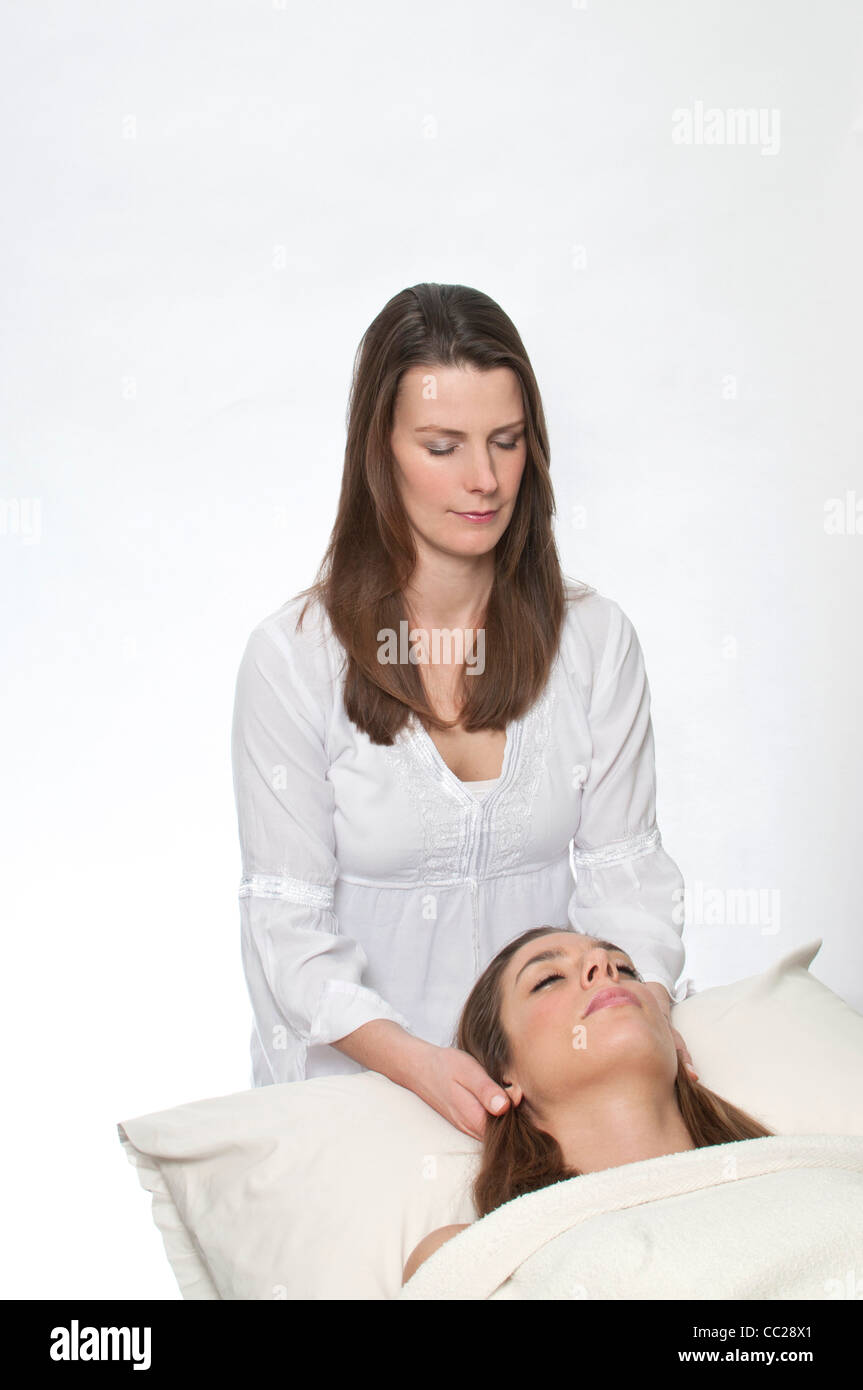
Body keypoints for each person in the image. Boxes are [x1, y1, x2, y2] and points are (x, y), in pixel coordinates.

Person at [231, 281, 697, 1146]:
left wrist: (647, 1015)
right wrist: (420, 1065)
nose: (483, 480)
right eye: (442, 446)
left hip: (550, 1107)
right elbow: (286, 930)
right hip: (356, 1106)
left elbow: (626, 880)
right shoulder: (293, 660)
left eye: (505, 442)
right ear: (379, 452)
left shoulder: (594, 640)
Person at [402, 926, 772, 1285]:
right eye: (548, 979)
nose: (604, 965)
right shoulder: (472, 1258)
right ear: (503, 1076)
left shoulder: (790, 1176)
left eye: (626, 969)